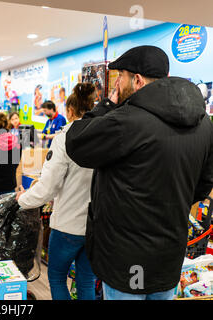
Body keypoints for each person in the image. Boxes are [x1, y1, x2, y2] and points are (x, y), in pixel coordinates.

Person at [65, 45, 213, 300]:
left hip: (126, 260)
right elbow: (203, 183)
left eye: (120, 76)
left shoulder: (127, 120)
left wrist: (108, 103)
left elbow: (75, 141)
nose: (117, 84)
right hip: (168, 255)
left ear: (137, 80)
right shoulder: (203, 124)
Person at [16, 83, 97, 300]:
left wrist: (22, 200)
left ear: (69, 111)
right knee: (86, 282)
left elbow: (47, 188)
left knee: (58, 278)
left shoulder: (65, 138)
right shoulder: (104, 136)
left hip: (67, 225)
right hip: (95, 226)